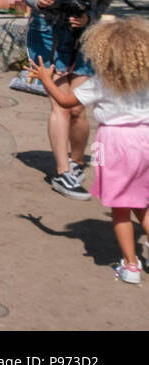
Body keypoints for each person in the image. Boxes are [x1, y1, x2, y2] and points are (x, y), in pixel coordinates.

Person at [28, 18, 149, 285]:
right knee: (143, 203)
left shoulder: (102, 82)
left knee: (121, 209)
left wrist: (47, 79)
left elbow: (64, 100)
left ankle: (130, 265)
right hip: (146, 139)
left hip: (116, 143)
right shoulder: (146, 80)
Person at [20, 0, 115, 200]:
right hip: (47, 33)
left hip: (84, 35)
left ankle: (76, 163)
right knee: (60, 103)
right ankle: (62, 172)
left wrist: (90, 17)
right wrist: (38, 0)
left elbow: (105, 3)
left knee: (76, 107)